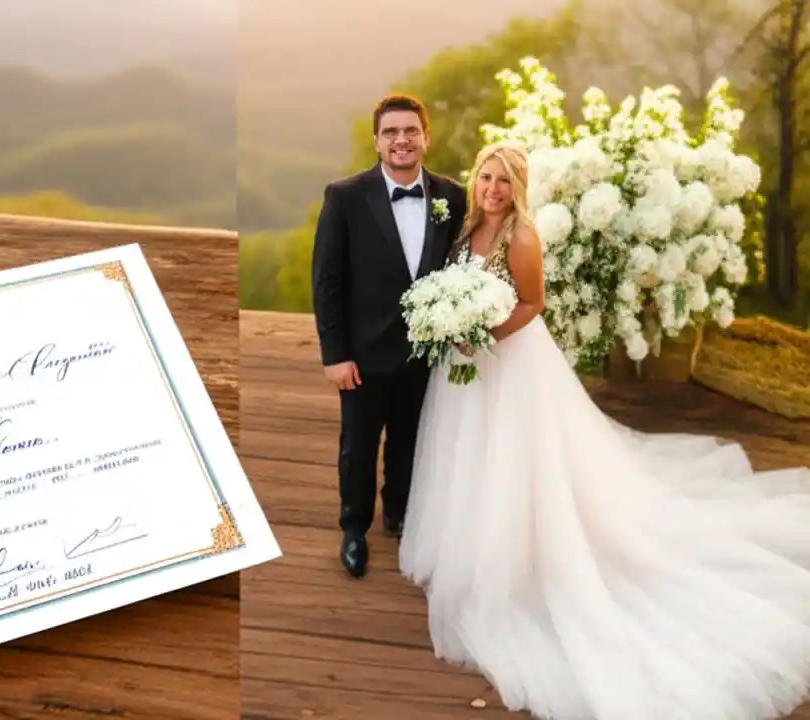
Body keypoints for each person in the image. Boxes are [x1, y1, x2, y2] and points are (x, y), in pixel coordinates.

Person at [399, 140, 810, 720]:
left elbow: (532, 303)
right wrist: (451, 324)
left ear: (518, 188)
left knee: (514, 456)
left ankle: (516, 553)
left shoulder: (521, 236)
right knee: (465, 453)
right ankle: (464, 539)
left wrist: (481, 333)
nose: (492, 189)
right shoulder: (468, 228)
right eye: (486, 178)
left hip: (508, 362)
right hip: (465, 364)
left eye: (503, 181)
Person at [310, 93, 467, 578]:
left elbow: (462, 267)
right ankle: (354, 529)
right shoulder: (345, 196)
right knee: (358, 445)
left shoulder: (452, 197)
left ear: (426, 138)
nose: (402, 140)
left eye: (411, 131)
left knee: (410, 439)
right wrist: (335, 354)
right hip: (363, 353)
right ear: (377, 141)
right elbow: (327, 281)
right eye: (391, 132)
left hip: (426, 351)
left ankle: (399, 513)